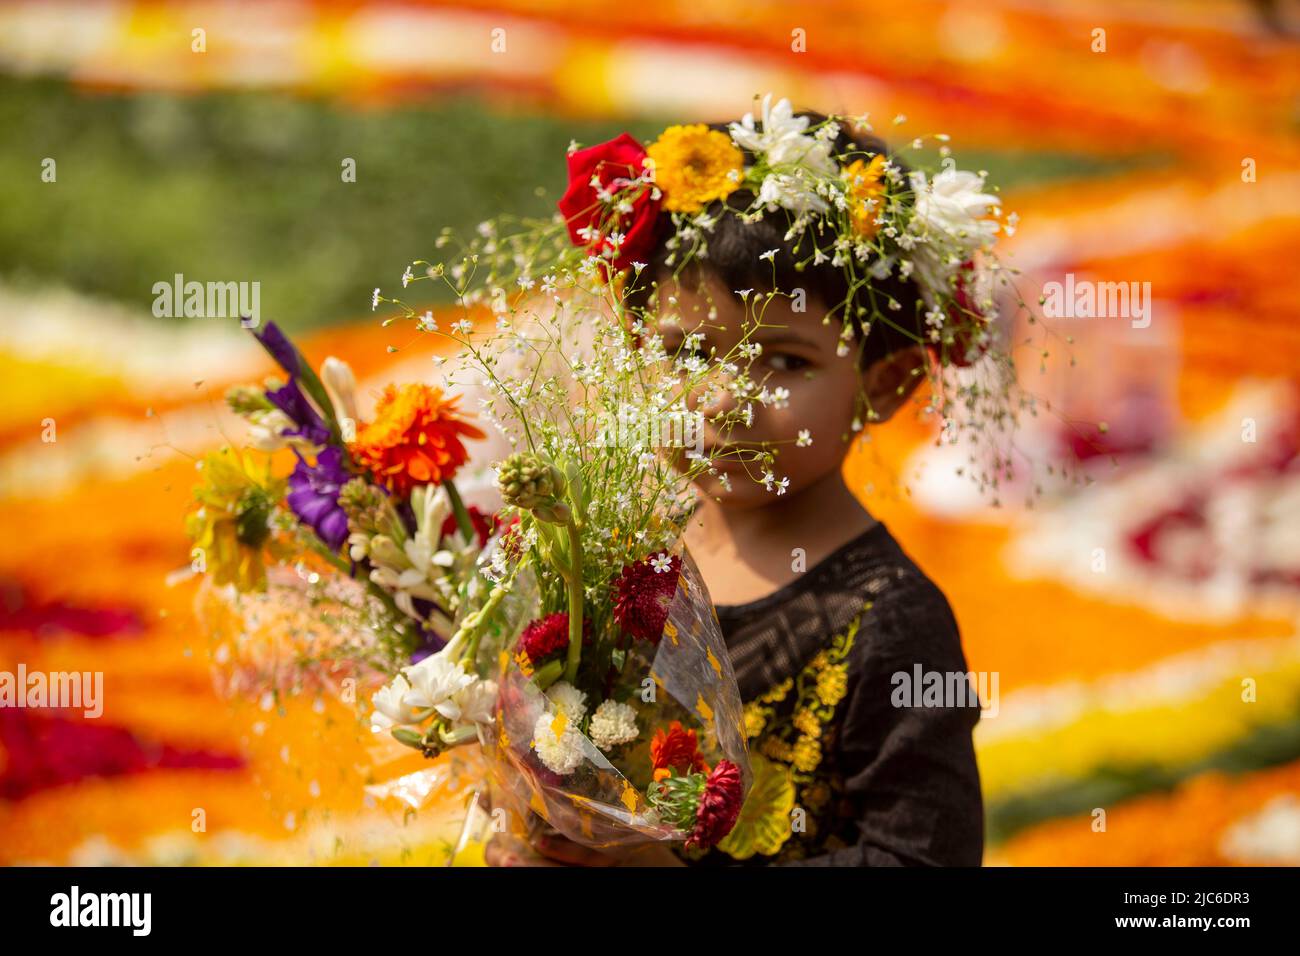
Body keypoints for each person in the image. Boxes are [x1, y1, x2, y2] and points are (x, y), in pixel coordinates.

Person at [485, 113, 985, 866]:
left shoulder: (892, 621)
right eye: (686, 353)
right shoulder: (620, 551)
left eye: (783, 362)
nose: (723, 399)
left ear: (886, 384)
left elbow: (923, 858)